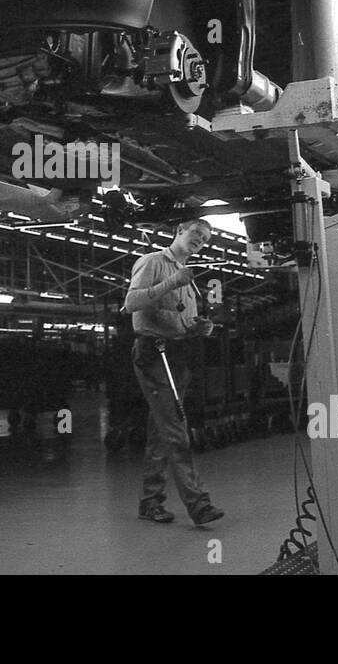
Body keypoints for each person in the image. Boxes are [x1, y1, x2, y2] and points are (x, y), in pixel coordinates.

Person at [122, 218, 224, 526]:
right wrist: (171, 283)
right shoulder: (153, 262)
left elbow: (181, 319)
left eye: (205, 239)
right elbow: (131, 303)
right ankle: (198, 504)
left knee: (161, 430)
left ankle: (150, 502)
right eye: (196, 233)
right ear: (180, 230)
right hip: (154, 353)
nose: (200, 241)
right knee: (176, 429)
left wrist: (201, 327)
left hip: (178, 354)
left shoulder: (189, 279)